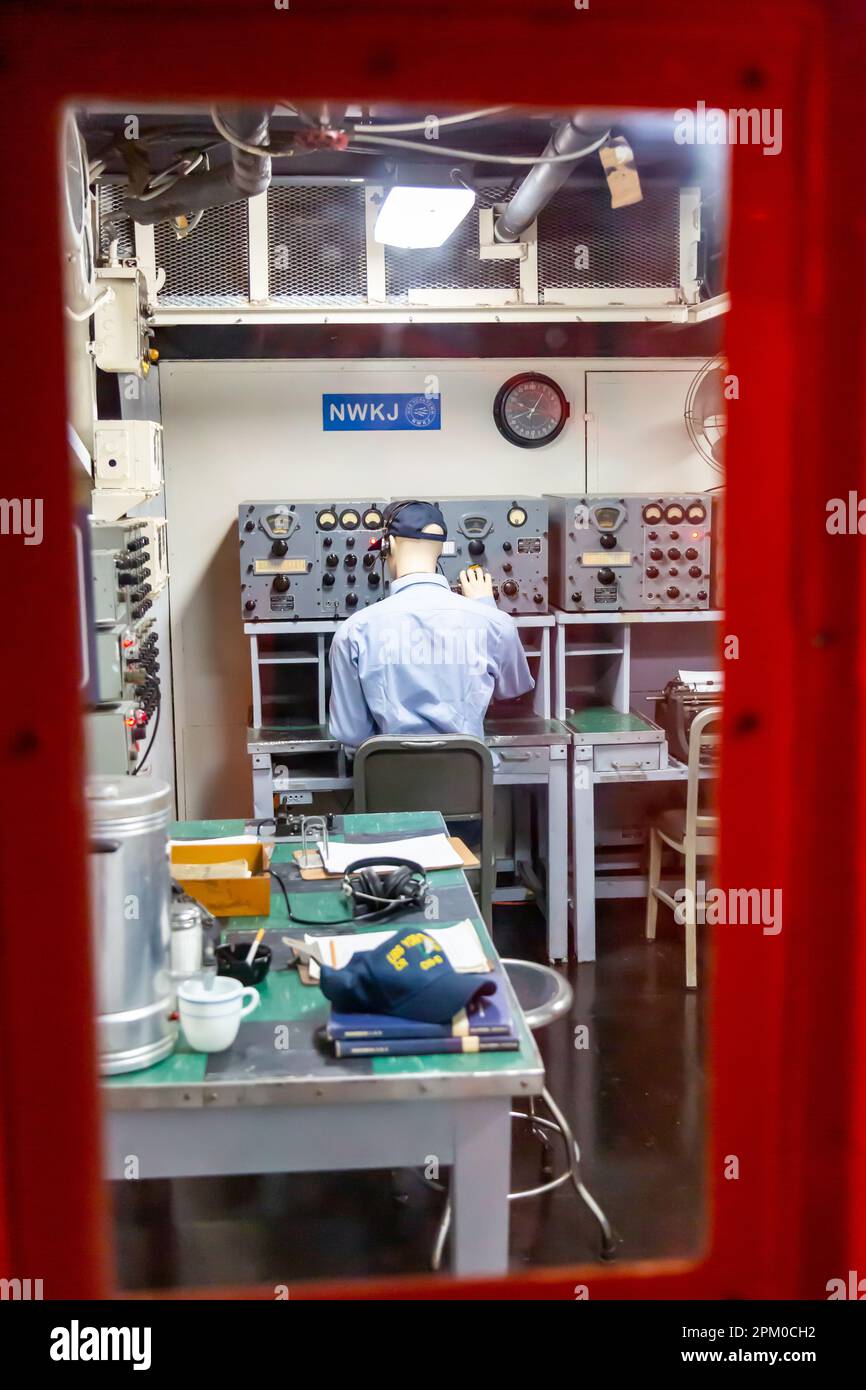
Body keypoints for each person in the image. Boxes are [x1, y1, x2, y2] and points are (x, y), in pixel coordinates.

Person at [328, 499, 534, 749]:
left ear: (388, 545)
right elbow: (513, 688)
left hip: (388, 782)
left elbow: (350, 732)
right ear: (440, 550)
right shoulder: (495, 623)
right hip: (466, 781)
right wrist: (484, 608)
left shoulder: (353, 631)